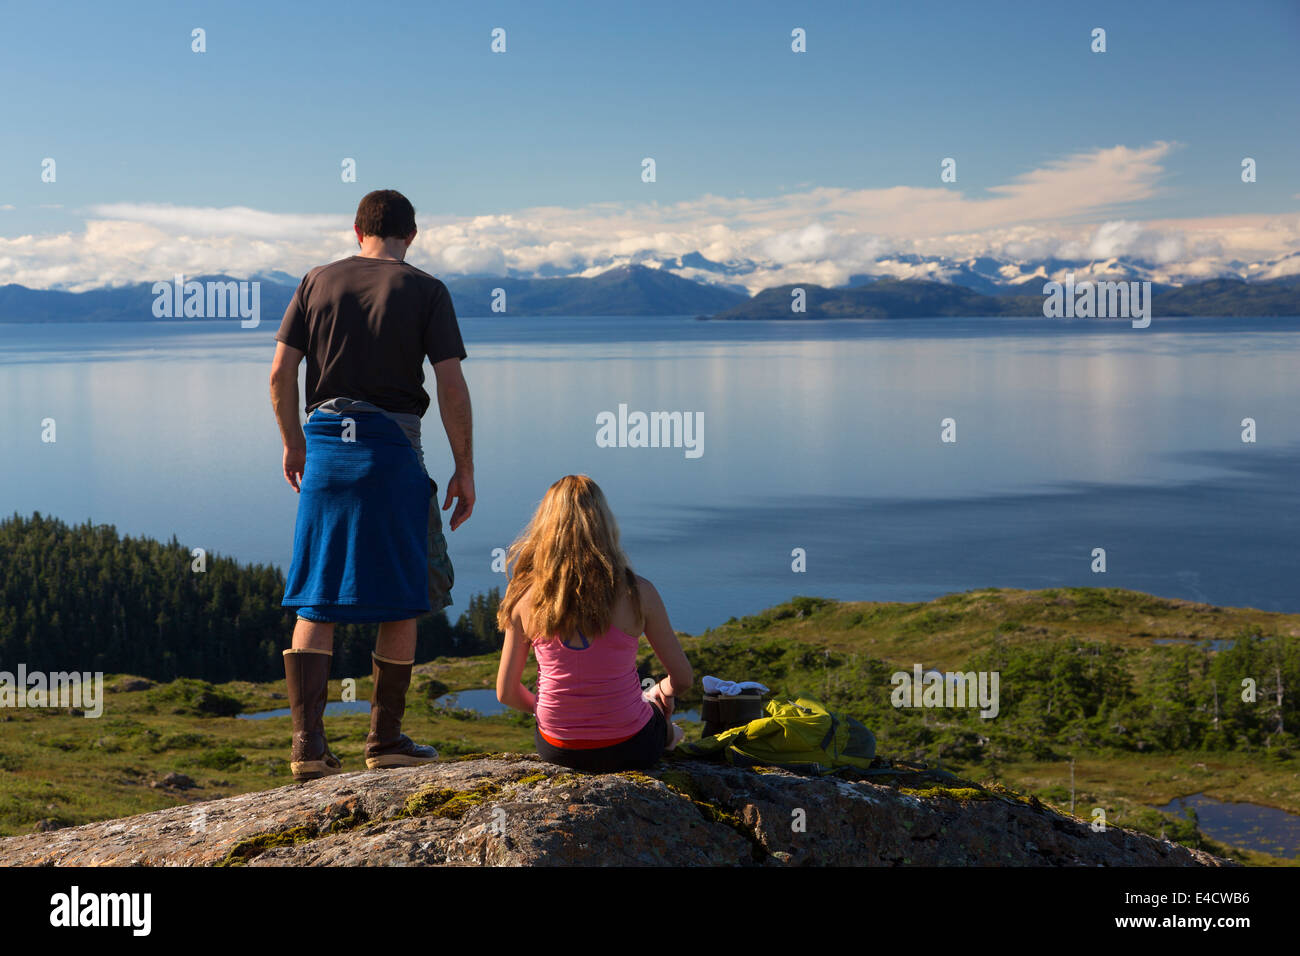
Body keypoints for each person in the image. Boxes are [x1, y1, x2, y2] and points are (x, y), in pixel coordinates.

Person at [269, 189, 475, 782]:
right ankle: (385, 740)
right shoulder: (425, 289)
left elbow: (282, 373)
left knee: (317, 593)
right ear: (412, 235)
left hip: (327, 450)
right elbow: (451, 387)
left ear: (357, 230)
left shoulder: (315, 281)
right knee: (403, 590)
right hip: (393, 453)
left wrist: (294, 442)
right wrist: (464, 466)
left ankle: (308, 748)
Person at [495, 475, 693, 772]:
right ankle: (671, 735)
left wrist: (549, 708)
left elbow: (506, 693)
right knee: (654, 713)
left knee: (641, 714)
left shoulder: (524, 596)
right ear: (604, 524)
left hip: (556, 746)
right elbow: (684, 679)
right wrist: (660, 691)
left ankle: (665, 732)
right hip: (631, 745)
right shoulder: (638, 592)